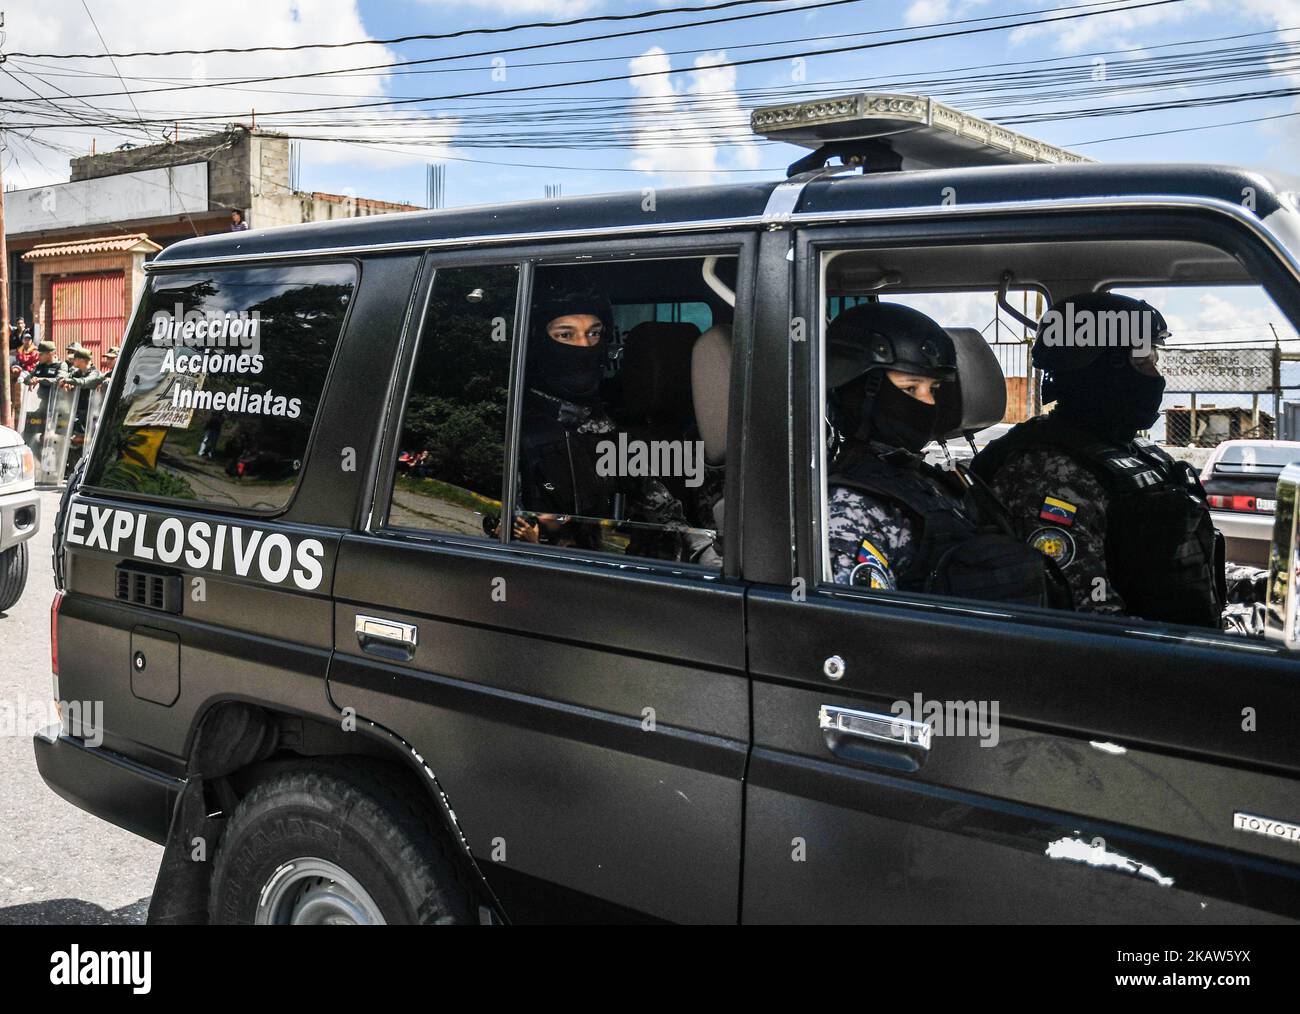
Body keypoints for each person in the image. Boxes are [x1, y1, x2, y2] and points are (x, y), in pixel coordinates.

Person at [971, 291, 1225, 629]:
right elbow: (1090, 619)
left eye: (1153, 359)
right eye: (1141, 361)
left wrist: (1256, 588)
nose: (1155, 375)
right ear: (1102, 370)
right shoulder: (1050, 473)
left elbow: (1179, 568)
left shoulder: (1136, 453)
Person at [825, 302, 1063, 606]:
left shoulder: (935, 480)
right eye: (911, 389)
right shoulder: (851, 508)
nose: (927, 403)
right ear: (859, 392)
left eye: (934, 389)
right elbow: (867, 631)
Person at [512, 289, 715, 563]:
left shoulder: (607, 431)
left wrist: (712, 564)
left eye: (594, 333)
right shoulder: (513, 429)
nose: (584, 346)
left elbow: (667, 518)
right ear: (539, 342)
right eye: (565, 335)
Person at [17, 340, 65, 455]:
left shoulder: (60, 365)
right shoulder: (39, 367)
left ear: (51, 354)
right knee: (30, 431)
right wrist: (31, 380)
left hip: (57, 406)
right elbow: (27, 378)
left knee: (51, 437)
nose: (39, 356)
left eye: (41, 354)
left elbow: (59, 380)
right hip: (43, 404)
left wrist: (40, 379)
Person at [61, 345, 103, 476]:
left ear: (83, 360)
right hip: (78, 412)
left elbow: (87, 382)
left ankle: (88, 472)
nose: (73, 361)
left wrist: (69, 381)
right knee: (73, 441)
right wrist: (65, 381)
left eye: (76, 359)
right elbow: (63, 377)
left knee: (87, 442)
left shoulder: (95, 373)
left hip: (92, 415)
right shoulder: (77, 372)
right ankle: (74, 471)